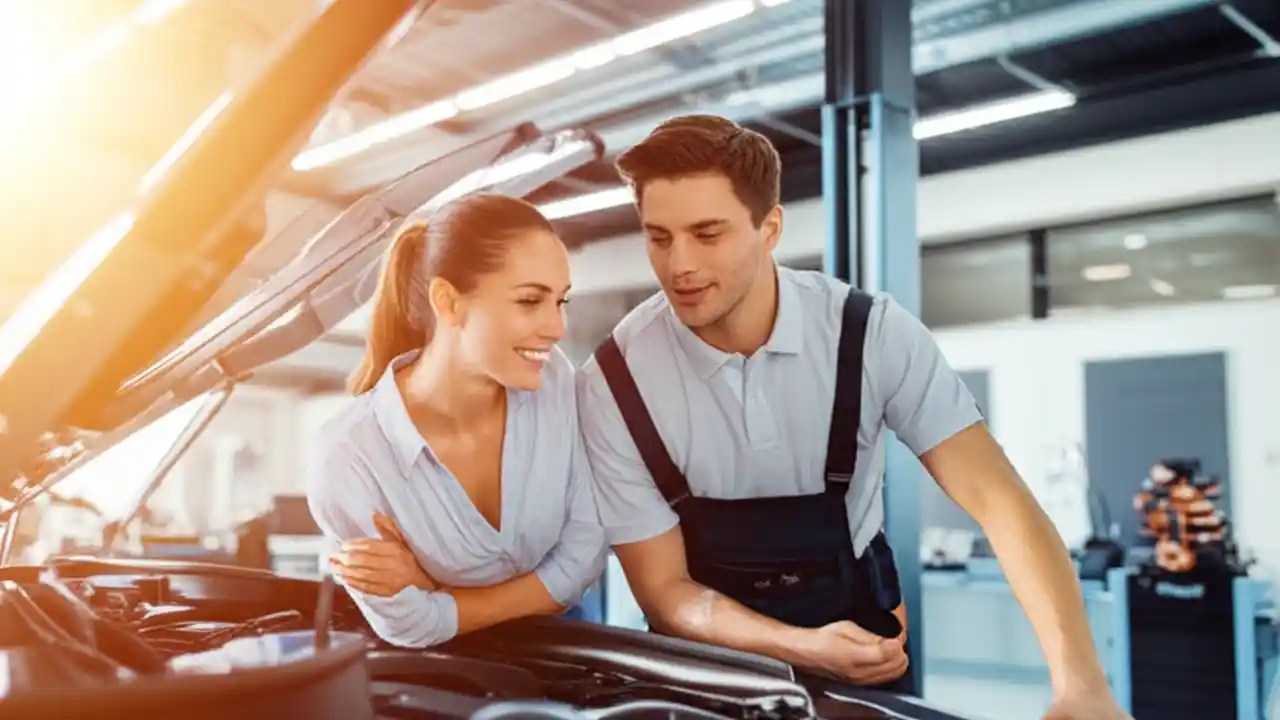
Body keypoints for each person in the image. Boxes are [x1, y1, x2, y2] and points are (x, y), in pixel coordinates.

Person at [574, 115, 1131, 719]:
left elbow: (1001, 501)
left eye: (708, 234)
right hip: (703, 668)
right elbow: (665, 594)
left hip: (864, 654)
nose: (678, 264)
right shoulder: (613, 380)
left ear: (770, 229)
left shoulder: (869, 334)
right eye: (659, 237)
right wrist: (802, 648)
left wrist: (1081, 685)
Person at [307, 192, 607, 648]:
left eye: (560, 301)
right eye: (530, 301)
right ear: (448, 302)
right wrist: (527, 592)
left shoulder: (556, 380)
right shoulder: (350, 456)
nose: (557, 327)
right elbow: (408, 625)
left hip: (568, 650)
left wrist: (435, 589)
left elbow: (585, 555)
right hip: (447, 676)